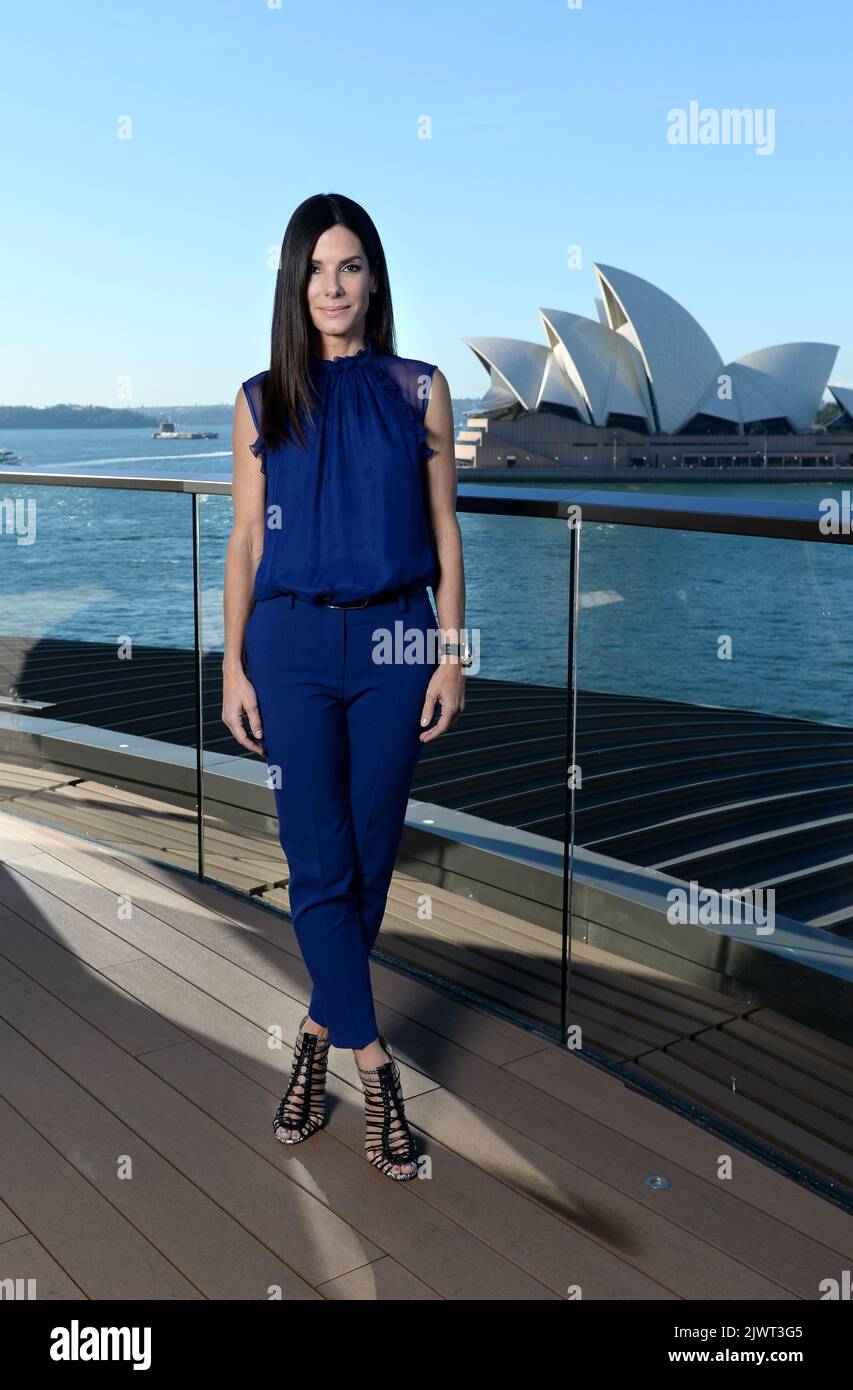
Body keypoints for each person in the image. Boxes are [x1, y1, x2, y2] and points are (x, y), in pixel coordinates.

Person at [221, 193, 466, 1181]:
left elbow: (446, 532)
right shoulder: (259, 398)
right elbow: (244, 541)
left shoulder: (421, 388)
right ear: (295, 283)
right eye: (316, 269)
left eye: (351, 265)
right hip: (287, 646)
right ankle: (376, 1067)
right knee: (316, 859)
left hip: (399, 642)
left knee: (365, 860)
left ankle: (318, 1034)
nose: (334, 286)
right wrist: (231, 660)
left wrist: (451, 652)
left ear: (374, 279)